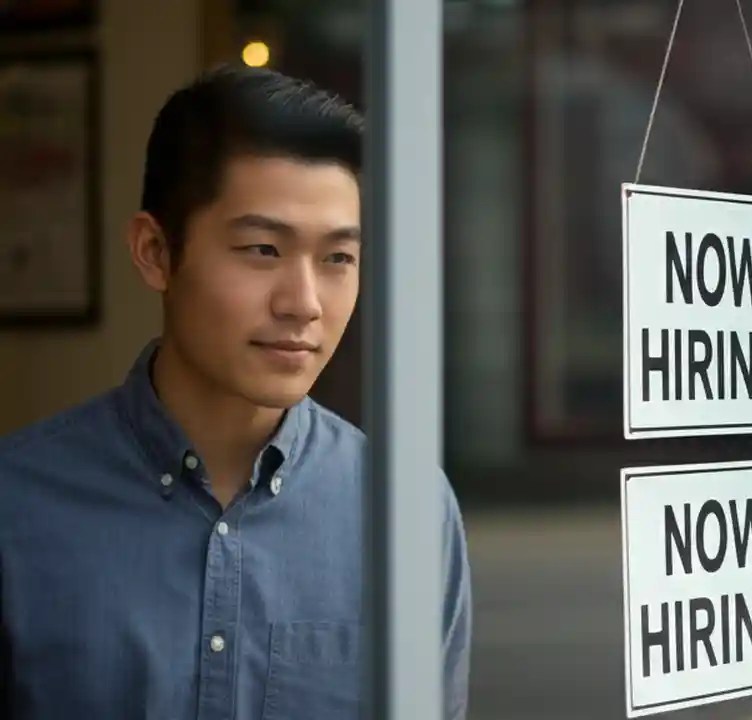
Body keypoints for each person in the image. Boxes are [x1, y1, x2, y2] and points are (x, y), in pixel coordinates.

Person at [0, 65, 470, 719]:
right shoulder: (18, 508)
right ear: (155, 252)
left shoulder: (407, 514)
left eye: (338, 258)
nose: (304, 304)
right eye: (262, 250)